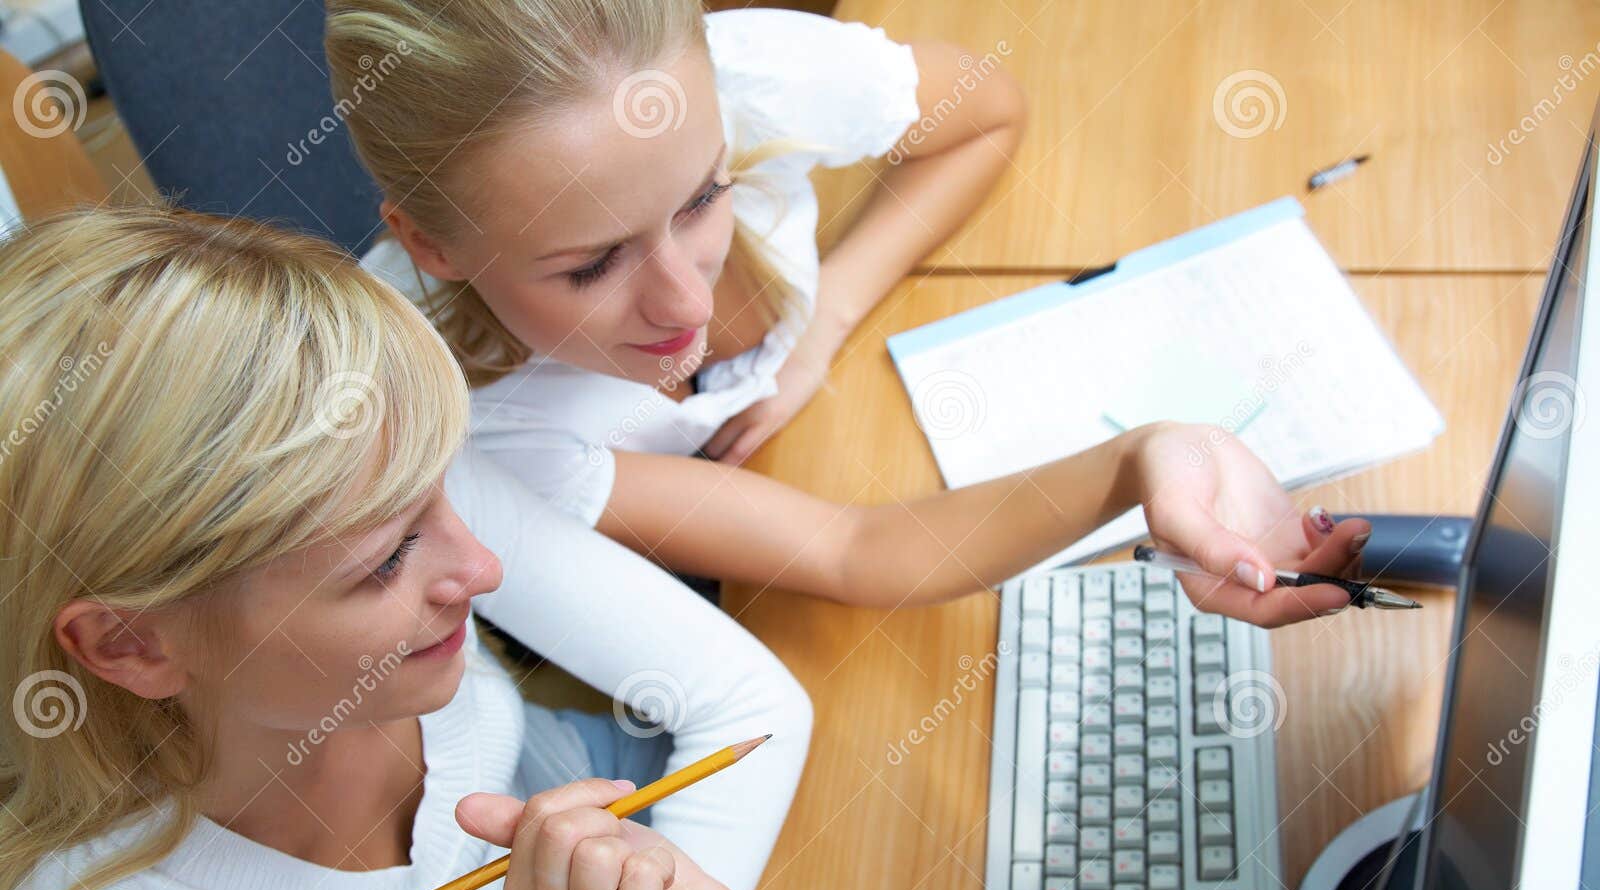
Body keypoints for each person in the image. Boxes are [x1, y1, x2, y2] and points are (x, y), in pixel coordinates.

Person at [0, 207, 808, 890]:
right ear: (130, 644)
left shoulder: (378, 458)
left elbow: (751, 708)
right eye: (384, 565)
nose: (484, 567)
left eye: (446, 491)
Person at [333, 0, 1371, 623]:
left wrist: (824, 318)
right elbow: (846, 549)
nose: (685, 298)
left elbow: (986, 117)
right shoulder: (480, 435)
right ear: (432, 246)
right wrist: (1132, 464)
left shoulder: (737, 78)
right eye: (590, 266)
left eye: (703, 195)